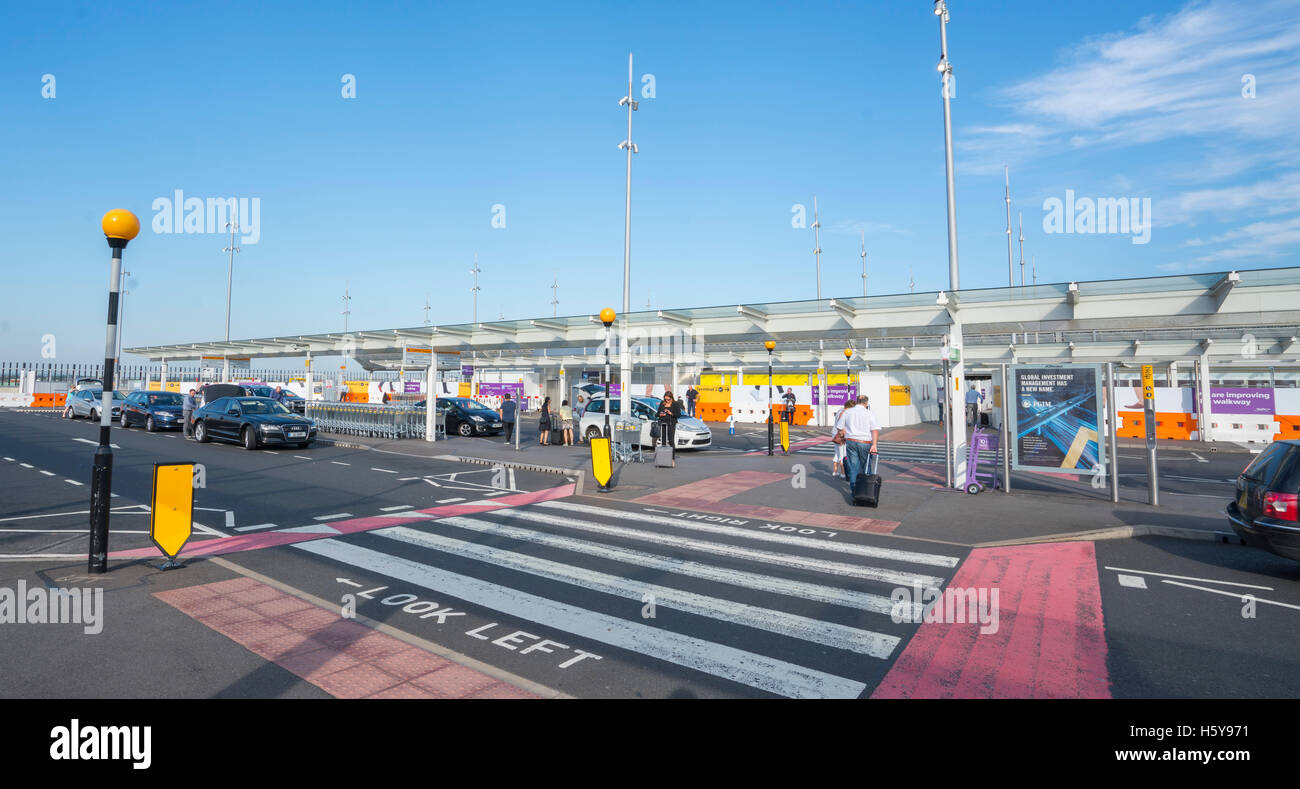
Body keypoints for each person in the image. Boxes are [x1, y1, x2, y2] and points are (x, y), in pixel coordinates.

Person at [835, 394, 881, 483]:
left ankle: (854, 491)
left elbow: (839, 427)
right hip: (865, 442)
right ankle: (865, 489)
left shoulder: (847, 412)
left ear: (856, 402)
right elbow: (874, 430)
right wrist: (874, 444)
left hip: (851, 441)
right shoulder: (869, 413)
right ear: (866, 403)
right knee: (866, 466)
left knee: (853, 467)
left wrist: (843, 435)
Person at [656, 391, 683, 456]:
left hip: (671, 424)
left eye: (668, 399)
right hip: (663, 424)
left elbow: (678, 415)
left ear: (671, 398)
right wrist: (660, 414)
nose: (667, 400)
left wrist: (671, 413)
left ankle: (672, 458)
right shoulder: (662, 403)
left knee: (671, 441)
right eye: (665, 399)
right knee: (663, 441)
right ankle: (664, 457)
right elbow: (657, 414)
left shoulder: (675, 404)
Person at [831, 402, 848, 479]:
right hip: (840, 435)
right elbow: (842, 425)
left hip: (835, 434)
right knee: (843, 454)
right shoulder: (844, 412)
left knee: (837, 453)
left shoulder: (840, 410)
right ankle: (843, 473)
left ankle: (835, 471)